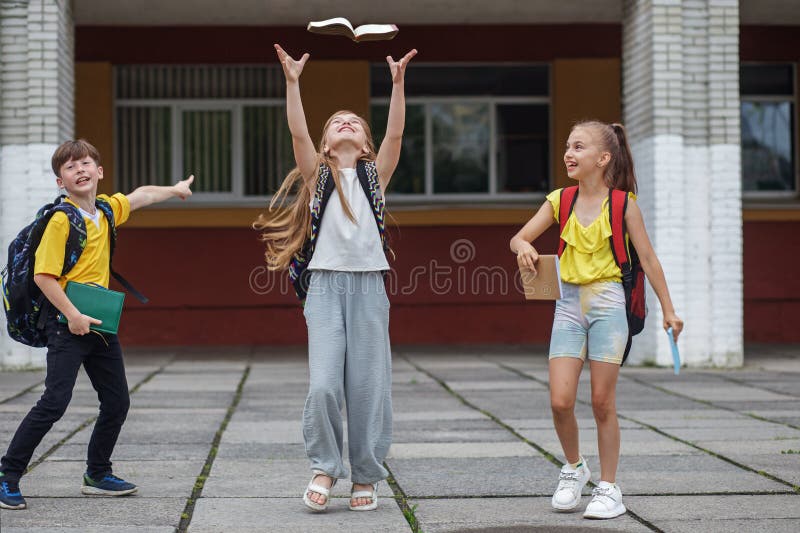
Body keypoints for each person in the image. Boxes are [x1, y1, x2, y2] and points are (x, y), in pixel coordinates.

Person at [253, 43, 416, 512]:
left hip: (369, 285)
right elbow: (297, 134)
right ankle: (325, 465)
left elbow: (398, 135)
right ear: (327, 144)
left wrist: (398, 85)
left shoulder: (374, 177)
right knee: (324, 383)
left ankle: (365, 474)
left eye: (355, 123)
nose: (344, 122)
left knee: (368, 386)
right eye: (335, 123)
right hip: (324, 286)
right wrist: (292, 83)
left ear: (365, 144)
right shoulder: (317, 177)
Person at [0, 139, 194, 510]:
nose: (80, 170)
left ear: (99, 171)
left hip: (100, 322)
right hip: (65, 322)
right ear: (61, 181)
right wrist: (72, 316)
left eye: (86, 163)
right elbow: (44, 277)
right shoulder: (61, 220)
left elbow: (140, 196)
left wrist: (175, 190)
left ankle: (97, 473)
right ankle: (7, 475)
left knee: (117, 401)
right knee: (54, 402)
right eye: (70, 167)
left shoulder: (105, 210)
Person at [509, 120, 684, 519]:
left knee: (603, 402)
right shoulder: (560, 201)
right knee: (559, 400)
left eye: (579, 147)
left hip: (608, 304)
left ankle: (609, 487)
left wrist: (669, 309)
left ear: (603, 158)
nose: (569, 153)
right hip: (568, 305)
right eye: (568, 146)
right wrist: (523, 248)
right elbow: (519, 237)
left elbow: (650, 260)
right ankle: (574, 468)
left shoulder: (624, 205)